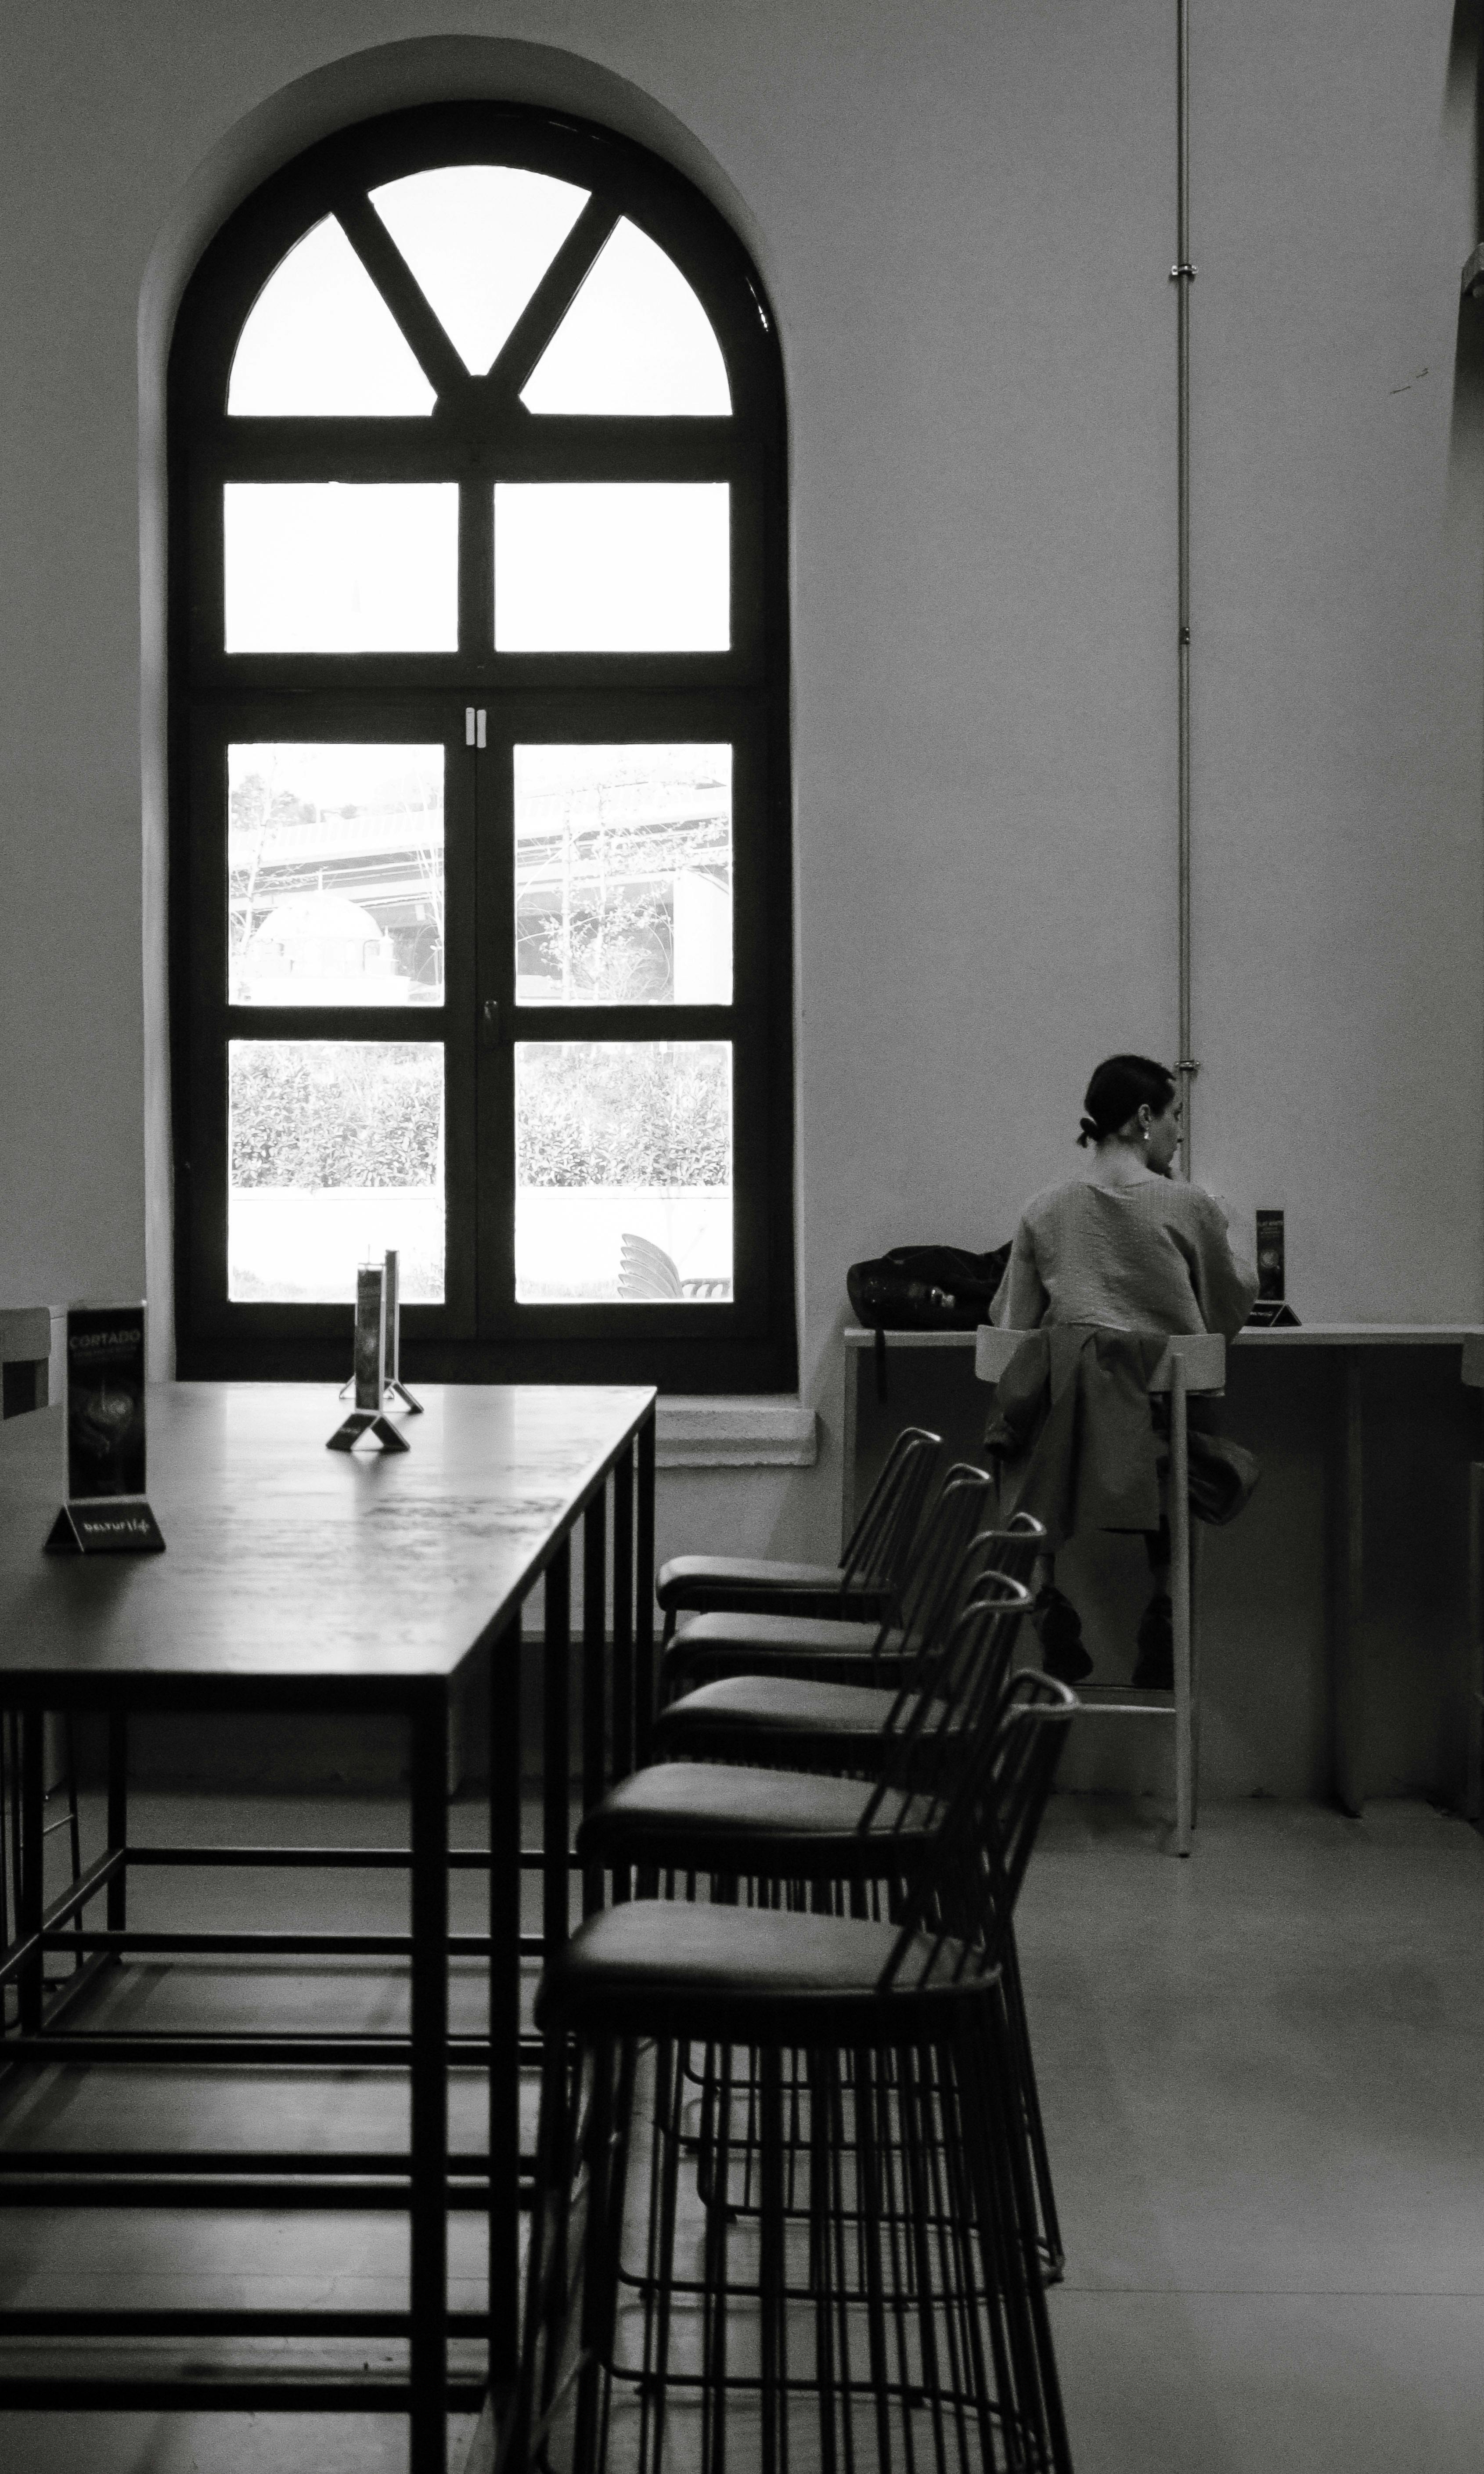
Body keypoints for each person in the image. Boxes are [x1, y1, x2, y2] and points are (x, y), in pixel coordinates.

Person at [987, 1054, 1258, 1686]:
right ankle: (1165, 1606)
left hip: (1067, 1453)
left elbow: (1011, 1329)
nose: (1180, 1134)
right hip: (1161, 1452)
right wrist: (1232, 1231)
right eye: (1175, 1117)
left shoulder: (1044, 1210)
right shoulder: (1190, 1206)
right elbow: (1226, 1314)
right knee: (1176, 1435)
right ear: (1144, 1118)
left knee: (1028, 1417)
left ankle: (1043, 1596)